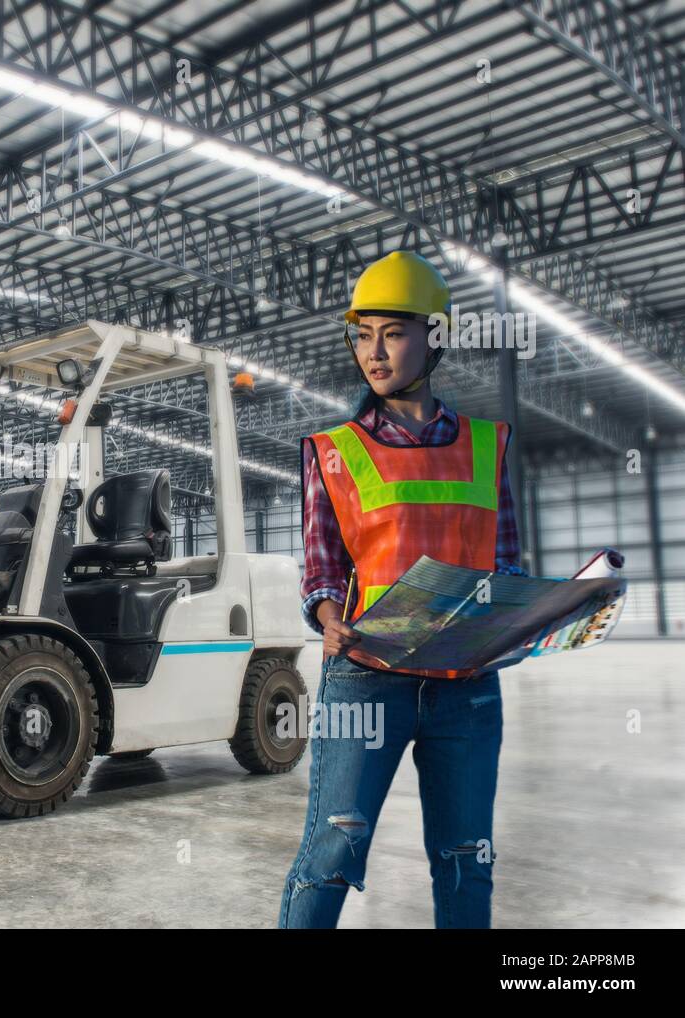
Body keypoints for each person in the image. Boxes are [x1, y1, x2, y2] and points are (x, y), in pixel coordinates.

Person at [278, 251, 526, 929]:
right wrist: (327, 614)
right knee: (330, 854)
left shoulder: (488, 445)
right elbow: (322, 565)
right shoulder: (331, 450)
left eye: (391, 333)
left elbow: (505, 564)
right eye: (362, 335)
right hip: (367, 676)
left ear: (433, 337)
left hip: (466, 685)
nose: (374, 352)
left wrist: (556, 608)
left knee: (465, 861)